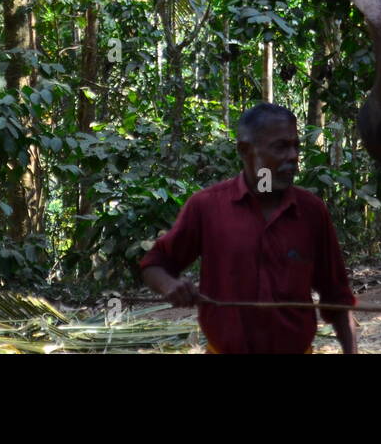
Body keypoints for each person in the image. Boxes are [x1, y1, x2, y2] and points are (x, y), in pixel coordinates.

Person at [139, 102, 358, 354]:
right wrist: (169, 285)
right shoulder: (207, 207)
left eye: (296, 145)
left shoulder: (311, 212)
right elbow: (154, 264)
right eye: (280, 147)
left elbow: (338, 298)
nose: (293, 156)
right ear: (245, 150)